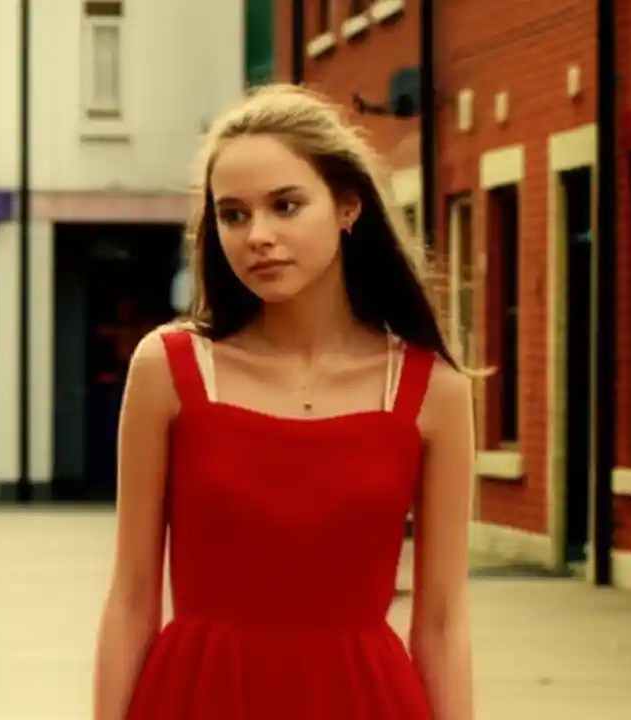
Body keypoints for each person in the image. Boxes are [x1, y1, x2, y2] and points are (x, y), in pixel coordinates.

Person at [93, 84, 475, 719]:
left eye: (286, 205)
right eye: (234, 214)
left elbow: (441, 625)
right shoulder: (170, 368)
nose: (258, 235)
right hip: (196, 698)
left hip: (364, 700)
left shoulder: (431, 390)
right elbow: (132, 600)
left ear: (348, 206)